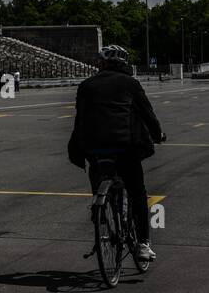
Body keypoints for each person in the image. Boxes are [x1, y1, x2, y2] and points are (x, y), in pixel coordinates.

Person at [67, 45, 166, 260]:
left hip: (94, 148)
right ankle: (143, 244)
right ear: (124, 65)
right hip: (125, 148)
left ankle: (99, 215)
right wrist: (158, 135)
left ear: (101, 64)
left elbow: (80, 120)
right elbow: (147, 114)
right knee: (138, 193)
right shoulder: (131, 84)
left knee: (98, 174)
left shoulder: (86, 85)